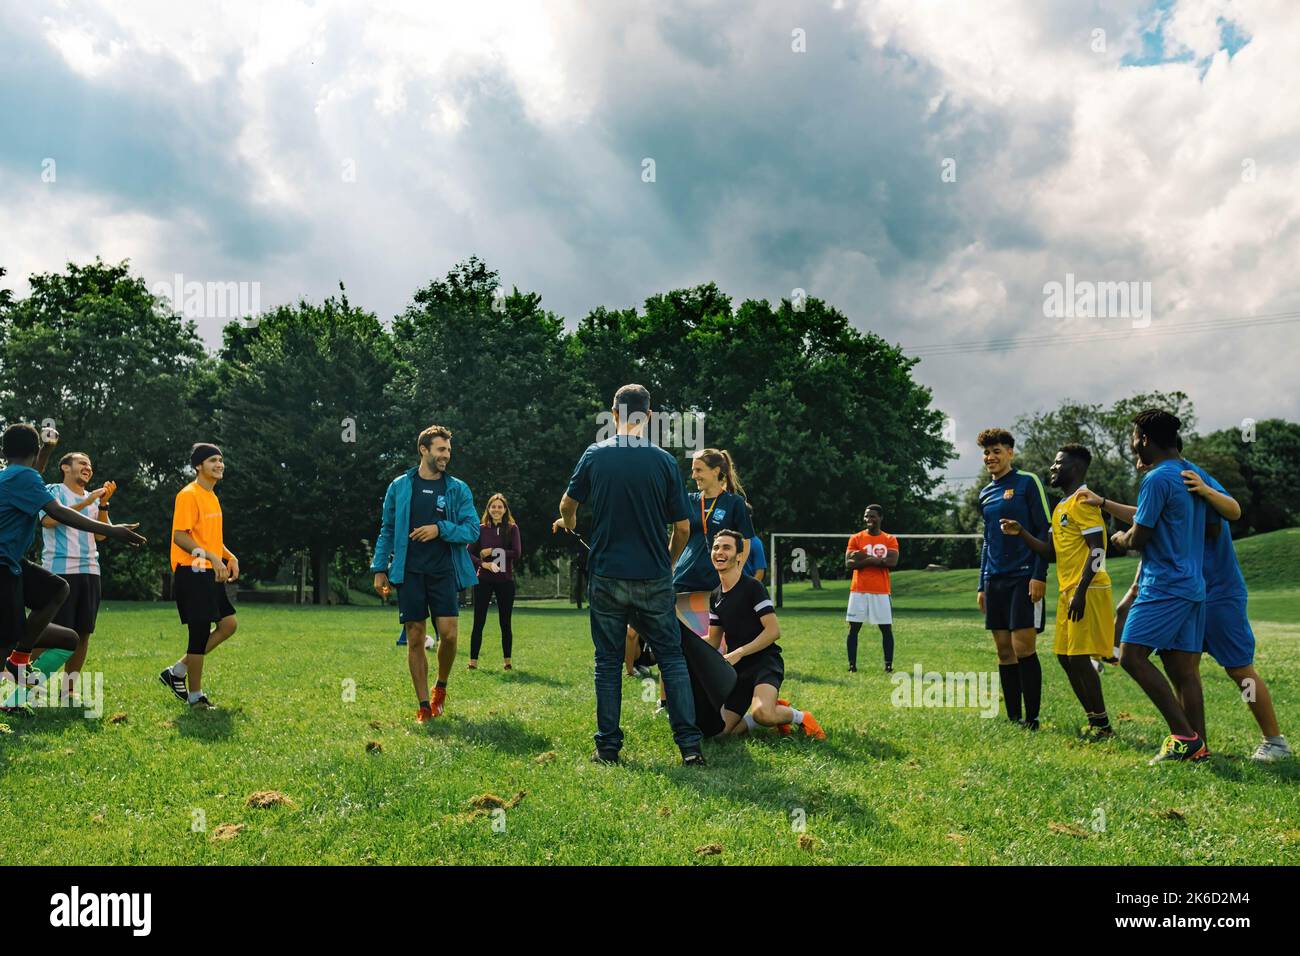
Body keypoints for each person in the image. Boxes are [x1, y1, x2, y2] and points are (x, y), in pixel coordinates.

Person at [1081, 454, 1291, 761]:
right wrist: (1104, 503)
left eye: (1140, 450)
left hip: (1217, 589)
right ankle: (1195, 744)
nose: (1138, 461)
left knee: (1238, 669)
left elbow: (1224, 517)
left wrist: (1136, 536)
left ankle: (1275, 741)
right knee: (1179, 666)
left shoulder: (1189, 475)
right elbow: (1147, 517)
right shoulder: (1163, 484)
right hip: (1185, 591)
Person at [554, 383, 704, 766]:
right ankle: (689, 747)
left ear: (614, 413)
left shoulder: (595, 454)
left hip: (606, 574)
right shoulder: (665, 462)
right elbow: (683, 528)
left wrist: (569, 524)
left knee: (607, 661)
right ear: (649, 416)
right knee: (672, 658)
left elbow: (568, 504)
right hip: (653, 575)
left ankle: (608, 749)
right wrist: (668, 562)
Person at [1, 424, 143, 708]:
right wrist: (114, 531)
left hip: (13, 562)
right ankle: (15, 671)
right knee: (7, 639)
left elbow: (34, 476)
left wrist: (45, 450)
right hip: (4, 564)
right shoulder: (27, 480)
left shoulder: (14, 475)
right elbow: (56, 513)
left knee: (56, 592)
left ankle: (20, 658)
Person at [1105, 409, 1212, 764]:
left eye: (1135, 437)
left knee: (1132, 656)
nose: (1134, 443)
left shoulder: (1156, 479)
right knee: (1183, 670)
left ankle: (1183, 737)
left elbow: (1140, 536)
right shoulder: (1192, 474)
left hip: (1163, 585)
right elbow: (1209, 526)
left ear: (1145, 440)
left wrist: (1119, 538)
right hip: (1193, 584)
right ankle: (1200, 747)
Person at [999, 445, 1114, 739]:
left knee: (1077, 657)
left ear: (1074, 468)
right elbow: (1050, 552)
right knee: (1065, 657)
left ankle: (1102, 725)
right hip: (1068, 590)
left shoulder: (1083, 502)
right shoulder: (1061, 506)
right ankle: (1094, 720)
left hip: (1087, 589)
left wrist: (1082, 590)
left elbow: (1098, 549)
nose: (1052, 468)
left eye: (1057, 463)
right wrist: (1022, 532)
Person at [371, 425, 479, 723]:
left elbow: (471, 529)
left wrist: (439, 529)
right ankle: (423, 705)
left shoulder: (457, 489)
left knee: (450, 635)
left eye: (448, 450)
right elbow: (388, 529)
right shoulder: (400, 486)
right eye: (441, 450)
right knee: (415, 636)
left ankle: (440, 687)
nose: (446, 455)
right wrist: (380, 567)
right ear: (424, 449)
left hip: (444, 571)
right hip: (409, 572)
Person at [708, 530, 824, 739]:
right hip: (737, 672)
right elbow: (713, 639)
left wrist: (740, 652)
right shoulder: (715, 595)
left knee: (763, 713)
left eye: (726, 547)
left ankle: (800, 717)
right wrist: (681, 642)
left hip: (764, 662)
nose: (719, 552)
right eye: (716, 547)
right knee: (719, 733)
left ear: (739, 556)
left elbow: (773, 631)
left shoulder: (753, 587)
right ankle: (772, 710)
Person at [976, 428, 1050, 729]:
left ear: (1010, 453)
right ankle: (1013, 717)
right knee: (1004, 650)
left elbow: (1045, 530)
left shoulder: (1027, 482)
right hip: (995, 580)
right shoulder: (985, 493)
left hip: (1024, 577)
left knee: (1023, 648)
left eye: (996, 451)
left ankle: (1032, 718)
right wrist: (982, 583)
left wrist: (1038, 575)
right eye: (986, 452)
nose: (990, 457)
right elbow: (987, 540)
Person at [158, 444, 241, 710]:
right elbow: (180, 536)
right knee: (199, 631)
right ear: (198, 466)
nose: (220, 464)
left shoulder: (211, 495)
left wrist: (229, 556)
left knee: (228, 624)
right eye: (213, 460)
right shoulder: (189, 494)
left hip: (208, 570)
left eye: (221, 460)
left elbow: (209, 538)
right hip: (191, 571)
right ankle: (196, 697)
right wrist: (212, 558)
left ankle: (178, 670)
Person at [39, 451, 117, 702]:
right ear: (65, 467)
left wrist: (103, 503)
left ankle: (68, 690)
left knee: (83, 632)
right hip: (60, 571)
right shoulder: (53, 491)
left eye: (90, 465)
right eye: (82, 463)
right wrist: (86, 502)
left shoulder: (94, 499)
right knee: (49, 633)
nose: (88, 467)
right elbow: (49, 520)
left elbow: (102, 535)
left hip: (90, 571)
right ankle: (14, 679)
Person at [468, 493, 521, 670]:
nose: (496, 509)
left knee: (505, 622)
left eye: (500, 507)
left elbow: (516, 552)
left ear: (505, 510)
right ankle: (473, 662)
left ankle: (507, 662)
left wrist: (493, 550)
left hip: (505, 582)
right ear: (488, 509)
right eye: (493, 506)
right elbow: (468, 553)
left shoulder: (512, 529)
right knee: (478, 621)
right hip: (483, 580)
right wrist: (484, 564)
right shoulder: (480, 528)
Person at [844, 504, 899, 673]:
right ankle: (852, 666)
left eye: (872, 516)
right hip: (858, 590)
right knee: (853, 628)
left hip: (881, 591)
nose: (869, 519)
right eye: (867, 516)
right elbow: (849, 564)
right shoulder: (856, 538)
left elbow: (892, 562)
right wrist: (875, 561)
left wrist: (864, 558)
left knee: (885, 628)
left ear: (880, 518)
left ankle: (888, 665)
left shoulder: (889, 539)